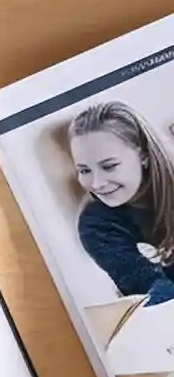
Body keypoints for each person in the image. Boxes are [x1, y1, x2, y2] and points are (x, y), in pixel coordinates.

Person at [70, 102, 174, 307]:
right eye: (84, 170)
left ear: (143, 156)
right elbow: (149, 288)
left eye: (109, 166)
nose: (96, 184)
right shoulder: (96, 225)